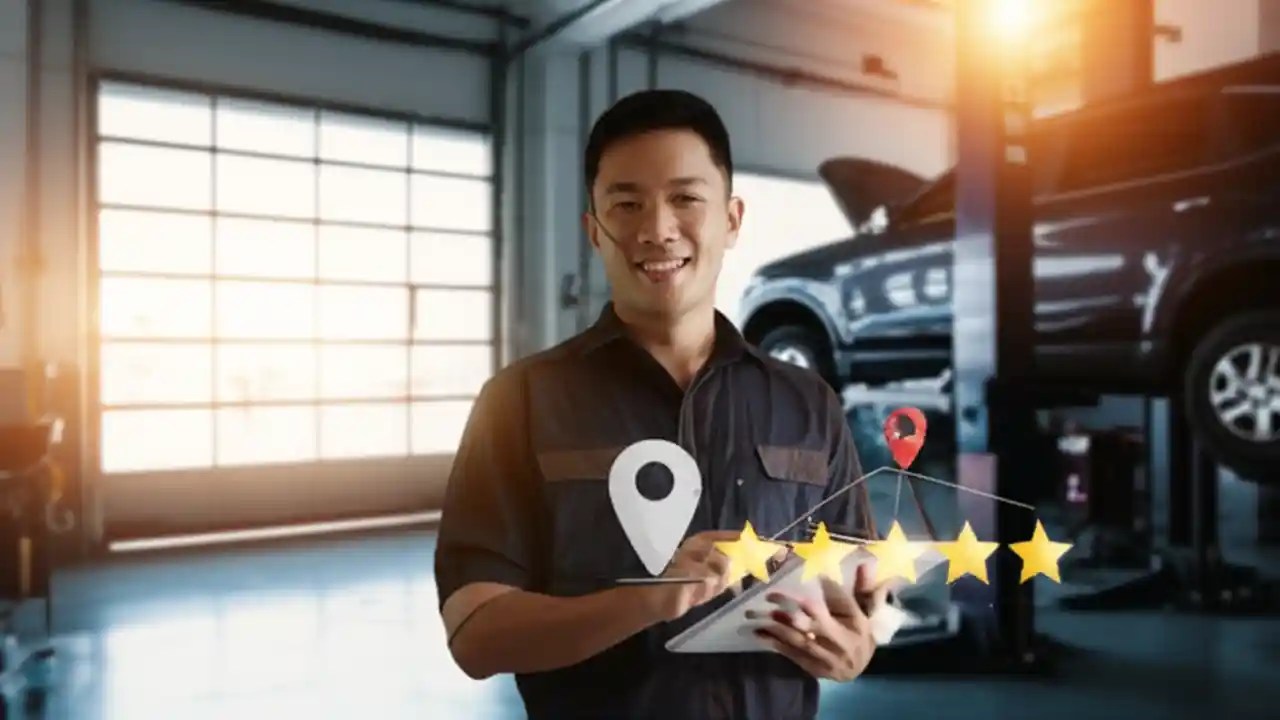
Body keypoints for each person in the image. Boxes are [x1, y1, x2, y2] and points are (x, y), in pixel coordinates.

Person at [434, 88, 888, 720]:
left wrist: (856, 650)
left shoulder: (808, 404)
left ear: (731, 219)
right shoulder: (519, 402)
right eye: (626, 204)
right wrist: (649, 600)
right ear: (594, 230)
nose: (655, 229)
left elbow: (858, 592)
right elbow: (476, 637)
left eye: (685, 198)